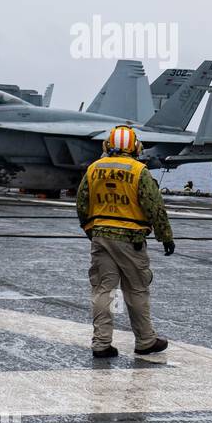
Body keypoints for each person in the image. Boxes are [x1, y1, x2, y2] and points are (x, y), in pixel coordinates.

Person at [76, 126, 174, 358]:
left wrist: (92, 230)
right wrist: (165, 236)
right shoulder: (139, 171)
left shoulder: (93, 169)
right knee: (137, 290)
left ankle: (101, 343)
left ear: (108, 145)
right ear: (135, 147)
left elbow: (82, 204)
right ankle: (145, 341)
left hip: (101, 237)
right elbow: (155, 206)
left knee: (103, 291)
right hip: (132, 241)